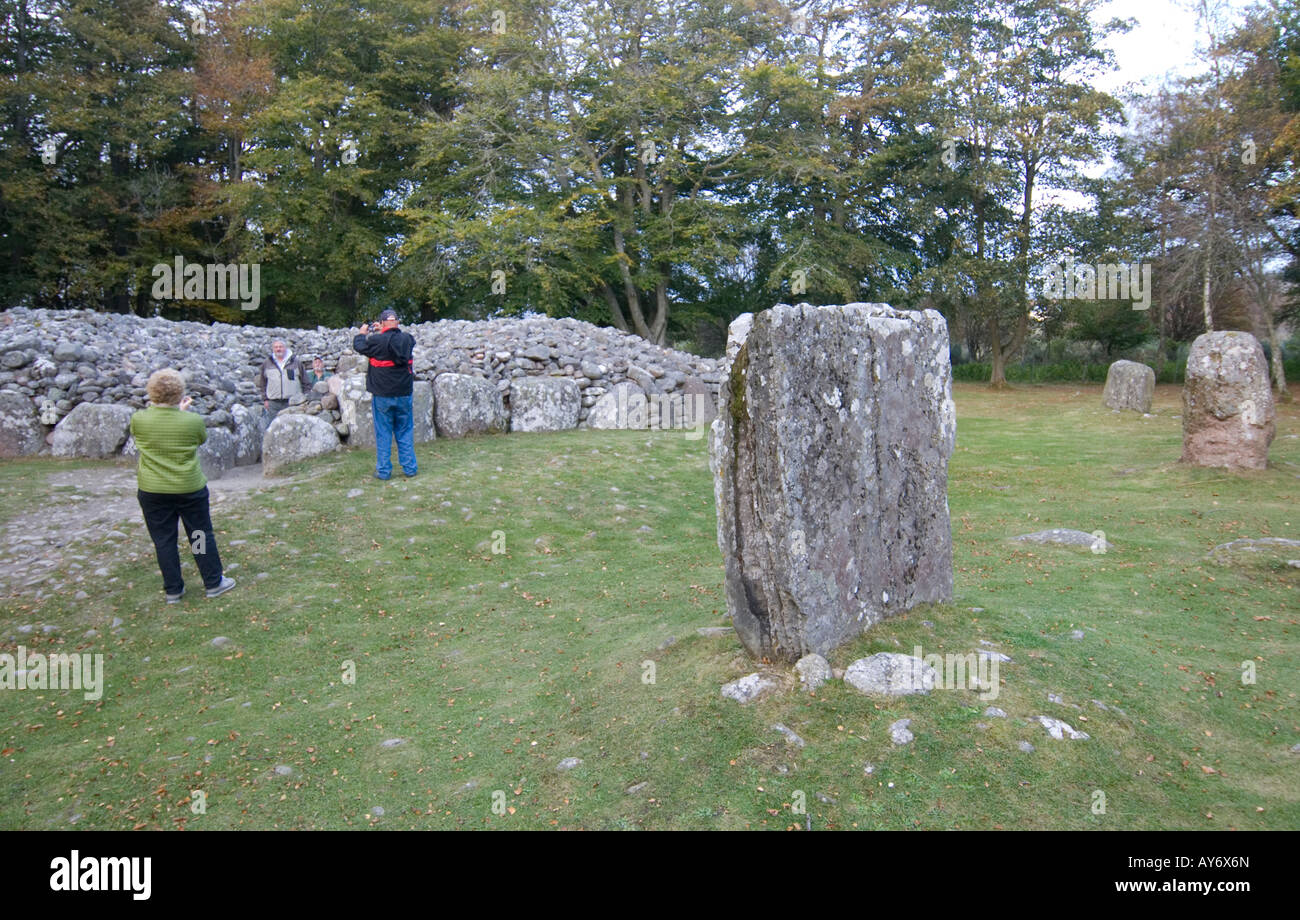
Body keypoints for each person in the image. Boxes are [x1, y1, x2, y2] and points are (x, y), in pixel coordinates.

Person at [130, 369, 236, 603]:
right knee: (198, 533)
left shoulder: (139, 419)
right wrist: (181, 413)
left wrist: (174, 413)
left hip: (153, 490)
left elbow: (151, 430)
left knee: (164, 539)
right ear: (179, 392)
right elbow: (200, 439)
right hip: (189, 488)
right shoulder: (192, 421)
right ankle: (212, 581)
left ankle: (173, 589)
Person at [354, 309, 417, 480]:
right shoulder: (408, 339)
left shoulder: (376, 341)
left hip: (382, 395)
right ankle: (410, 468)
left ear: (382, 324)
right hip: (404, 393)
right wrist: (385, 329)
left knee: (383, 433)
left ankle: (383, 471)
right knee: (404, 431)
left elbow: (359, 346)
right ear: (397, 322)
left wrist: (362, 333)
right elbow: (396, 340)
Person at [259, 339, 307, 420]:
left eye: (280, 347)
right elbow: (263, 383)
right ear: (273, 349)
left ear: (285, 348)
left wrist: (305, 398)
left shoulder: (296, 362)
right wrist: (265, 399)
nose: (278, 349)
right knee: (273, 427)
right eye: (276, 347)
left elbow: (305, 381)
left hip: (292, 403)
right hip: (273, 403)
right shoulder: (267, 363)